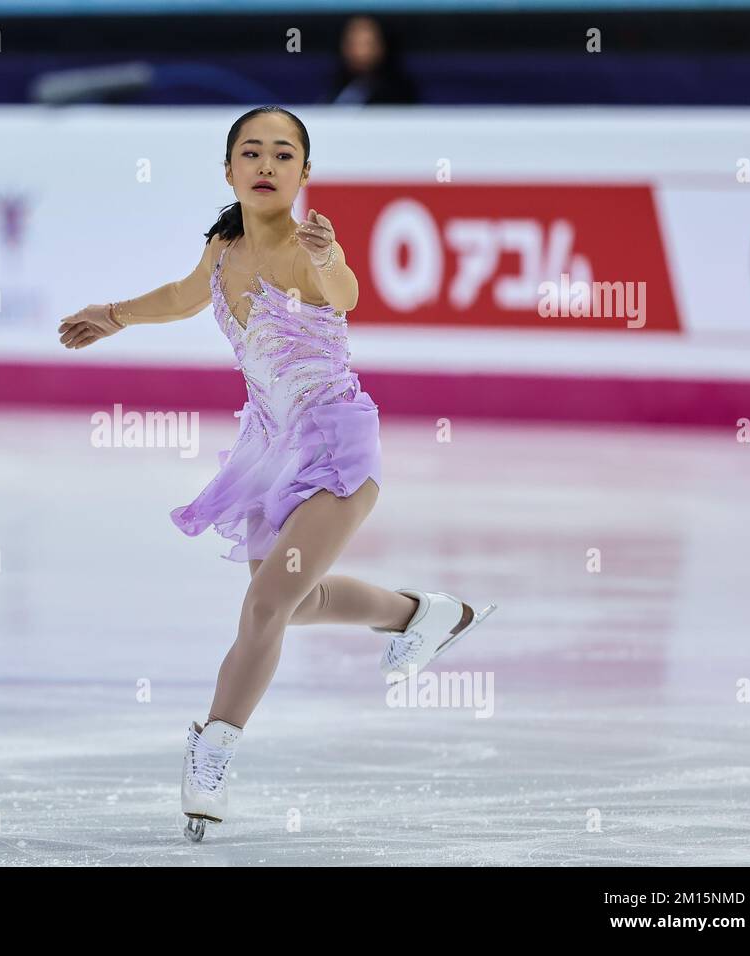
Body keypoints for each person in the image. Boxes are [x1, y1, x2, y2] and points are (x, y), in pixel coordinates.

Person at [56, 106, 494, 841]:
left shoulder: (307, 248)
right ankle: (423, 615)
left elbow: (346, 289)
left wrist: (327, 255)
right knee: (293, 599)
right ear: (229, 170)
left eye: (283, 154)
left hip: (335, 452)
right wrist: (114, 314)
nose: (267, 164)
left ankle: (213, 746)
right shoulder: (226, 245)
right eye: (251, 153)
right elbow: (184, 294)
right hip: (269, 451)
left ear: (305, 173)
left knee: (264, 607)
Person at [326, 15, 417, 106]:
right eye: (354, 43)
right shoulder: (331, 85)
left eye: (368, 44)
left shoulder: (398, 91)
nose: (361, 52)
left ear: (383, 46)